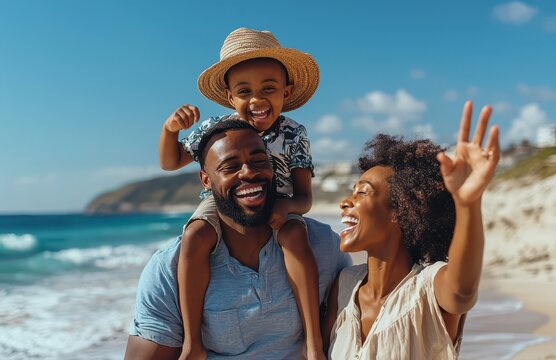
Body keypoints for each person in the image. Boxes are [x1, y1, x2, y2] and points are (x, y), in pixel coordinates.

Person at [158, 27, 323, 359]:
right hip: (222, 206)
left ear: (286, 92)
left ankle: (313, 341)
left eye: (269, 88)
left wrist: (288, 206)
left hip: (276, 204)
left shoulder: (294, 134)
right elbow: (171, 161)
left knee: (295, 237)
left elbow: (305, 196)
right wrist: (169, 129)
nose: (257, 99)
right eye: (244, 91)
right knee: (195, 236)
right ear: (230, 97)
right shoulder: (217, 131)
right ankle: (192, 342)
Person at [125, 120, 352, 359]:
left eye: (259, 161)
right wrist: (170, 129)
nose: (249, 172)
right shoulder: (168, 269)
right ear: (206, 180)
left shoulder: (323, 248)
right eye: (229, 166)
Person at [322, 101, 500, 359]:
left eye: (362, 191)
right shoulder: (344, 285)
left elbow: (463, 291)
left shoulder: (430, 286)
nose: (345, 201)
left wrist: (467, 203)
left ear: (399, 211)